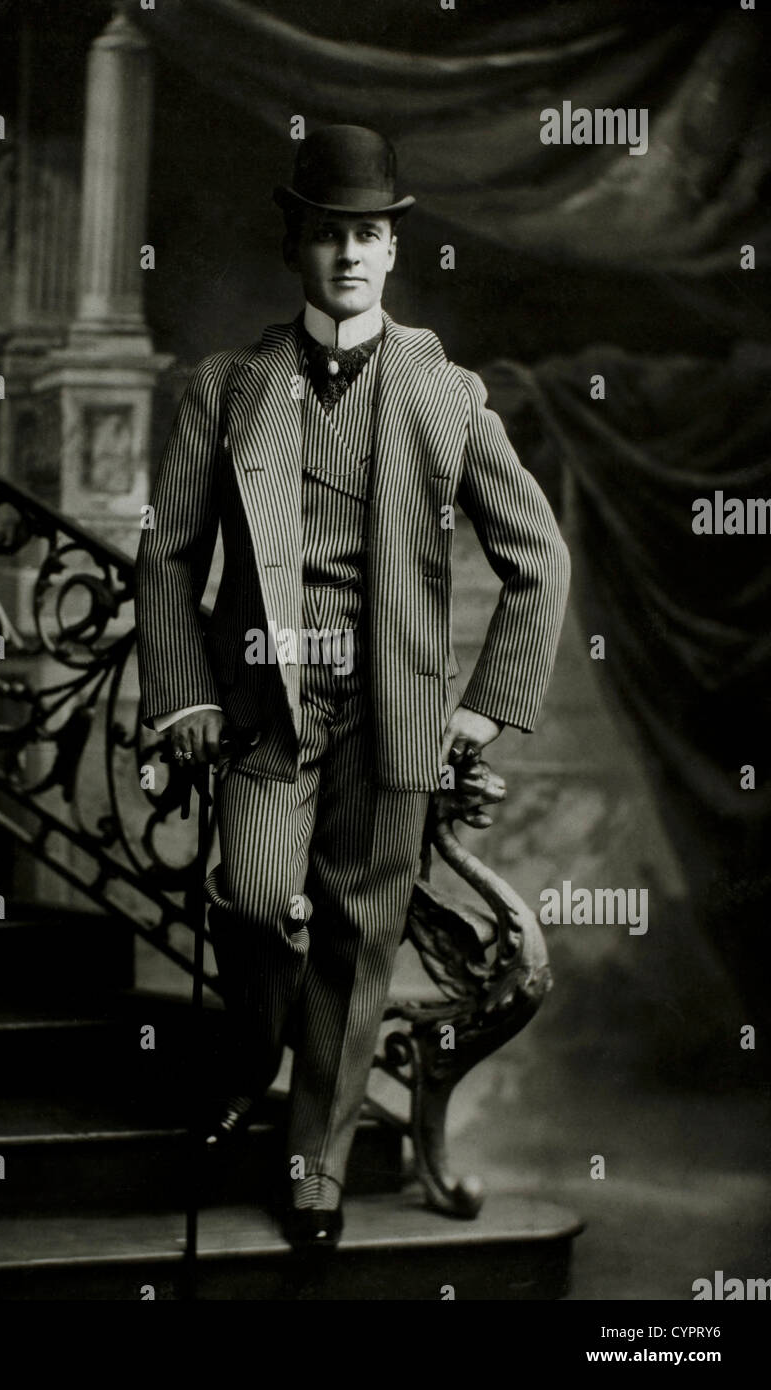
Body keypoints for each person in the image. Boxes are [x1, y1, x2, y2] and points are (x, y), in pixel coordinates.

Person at [135, 125, 570, 1251]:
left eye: (366, 234)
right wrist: (182, 696)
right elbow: (168, 551)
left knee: (357, 940)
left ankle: (310, 1172)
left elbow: (538, 556)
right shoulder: (230, 386)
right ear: (296, 245)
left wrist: (480, 709)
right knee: (254, 902)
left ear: (391, 249)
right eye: (327, 234)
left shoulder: (444, 391)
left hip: (394, 717)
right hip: (261, 711)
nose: (347, 255)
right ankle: (246, 1054)